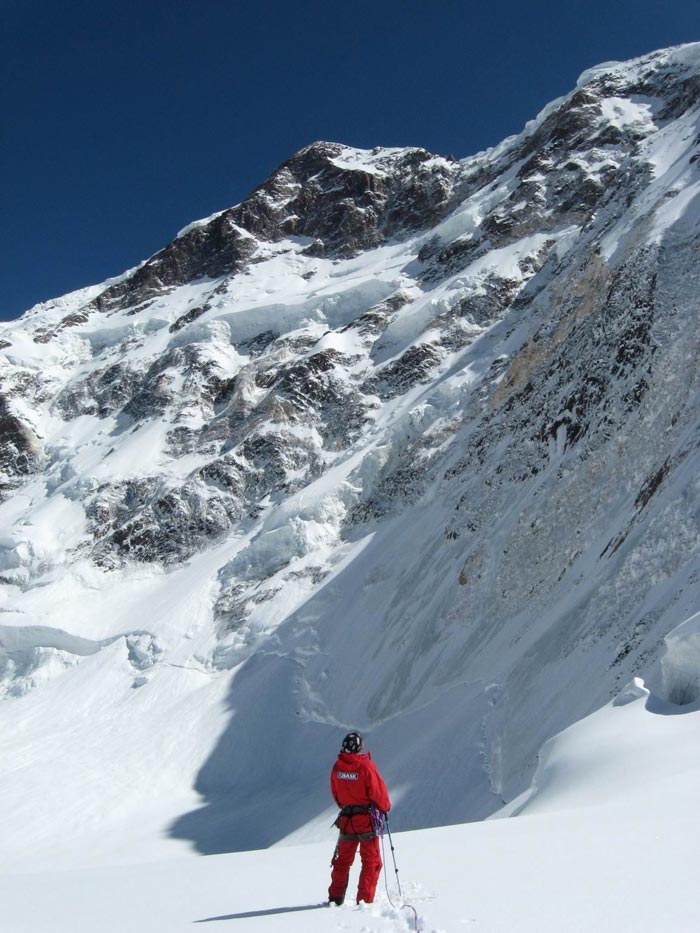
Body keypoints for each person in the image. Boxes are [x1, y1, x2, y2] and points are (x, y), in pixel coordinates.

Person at [327, 731, 391, 906]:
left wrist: (347, 806)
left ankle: (335, 898)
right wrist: (385, 808)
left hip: (347, 820)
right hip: (366, 821)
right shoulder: (366, 766)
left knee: (342, 861)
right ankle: (364, 900)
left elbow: (336, 793)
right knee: (371, 861)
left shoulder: (337, 767)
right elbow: (378, 791)